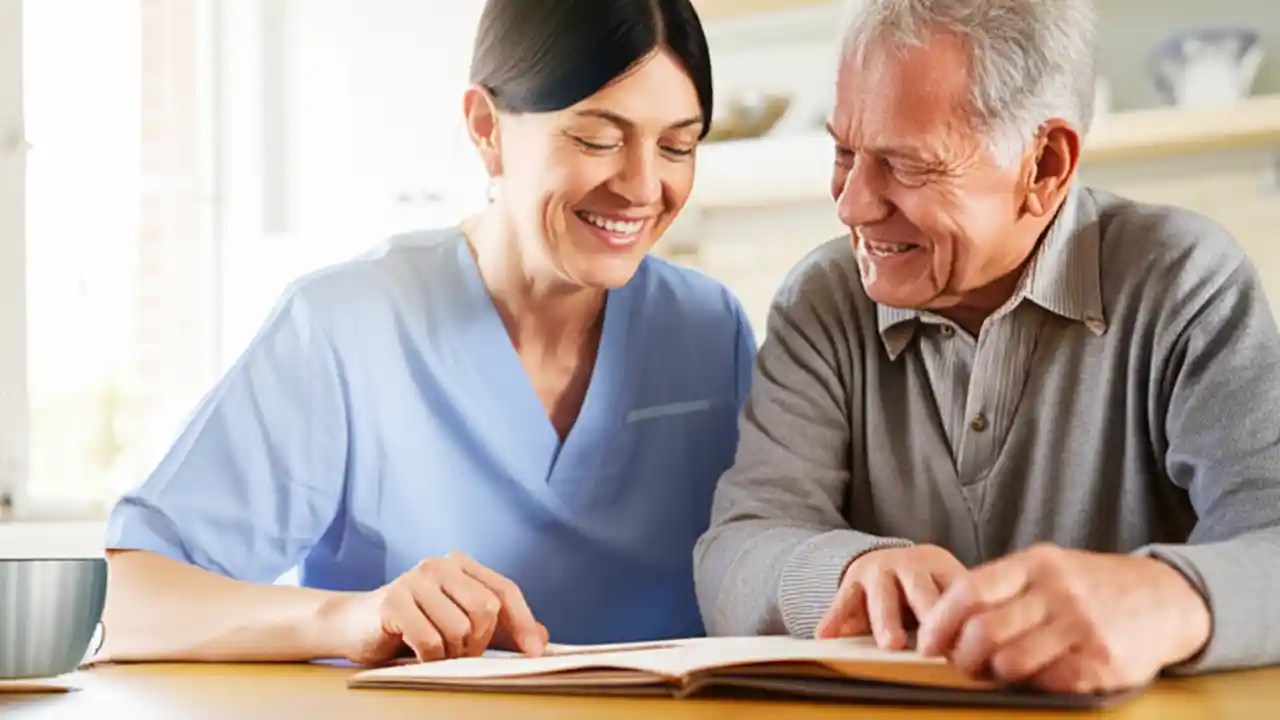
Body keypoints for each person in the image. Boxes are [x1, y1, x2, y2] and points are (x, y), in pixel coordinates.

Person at [101, 0, 755, 666]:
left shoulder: (709, 331)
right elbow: (124, 601)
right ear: (486, 128)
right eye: (597, 139)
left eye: (677, 146)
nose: (644, 186)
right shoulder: (346, 327)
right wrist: (352, 617)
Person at [694, 0, 1280, 695]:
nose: (851, 204)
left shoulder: (1184, 281)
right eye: (844, 153)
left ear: (1045, 166)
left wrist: (1164, 596)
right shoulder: (823, 301)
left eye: (905, 165)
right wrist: (851, 572)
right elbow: (736, 549)